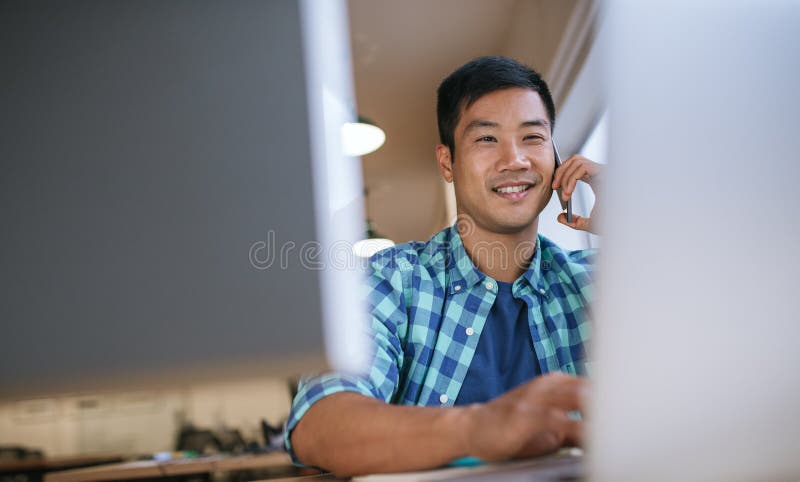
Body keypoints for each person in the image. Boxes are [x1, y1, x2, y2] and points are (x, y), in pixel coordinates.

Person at [286, 56, 603, 477]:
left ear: (557, 158)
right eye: (486, 140)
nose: (515, 160)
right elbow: (319, 424)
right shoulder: (391, 282)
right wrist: (479, 428)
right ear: (447, 162)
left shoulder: (599, 281)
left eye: (532, 137)